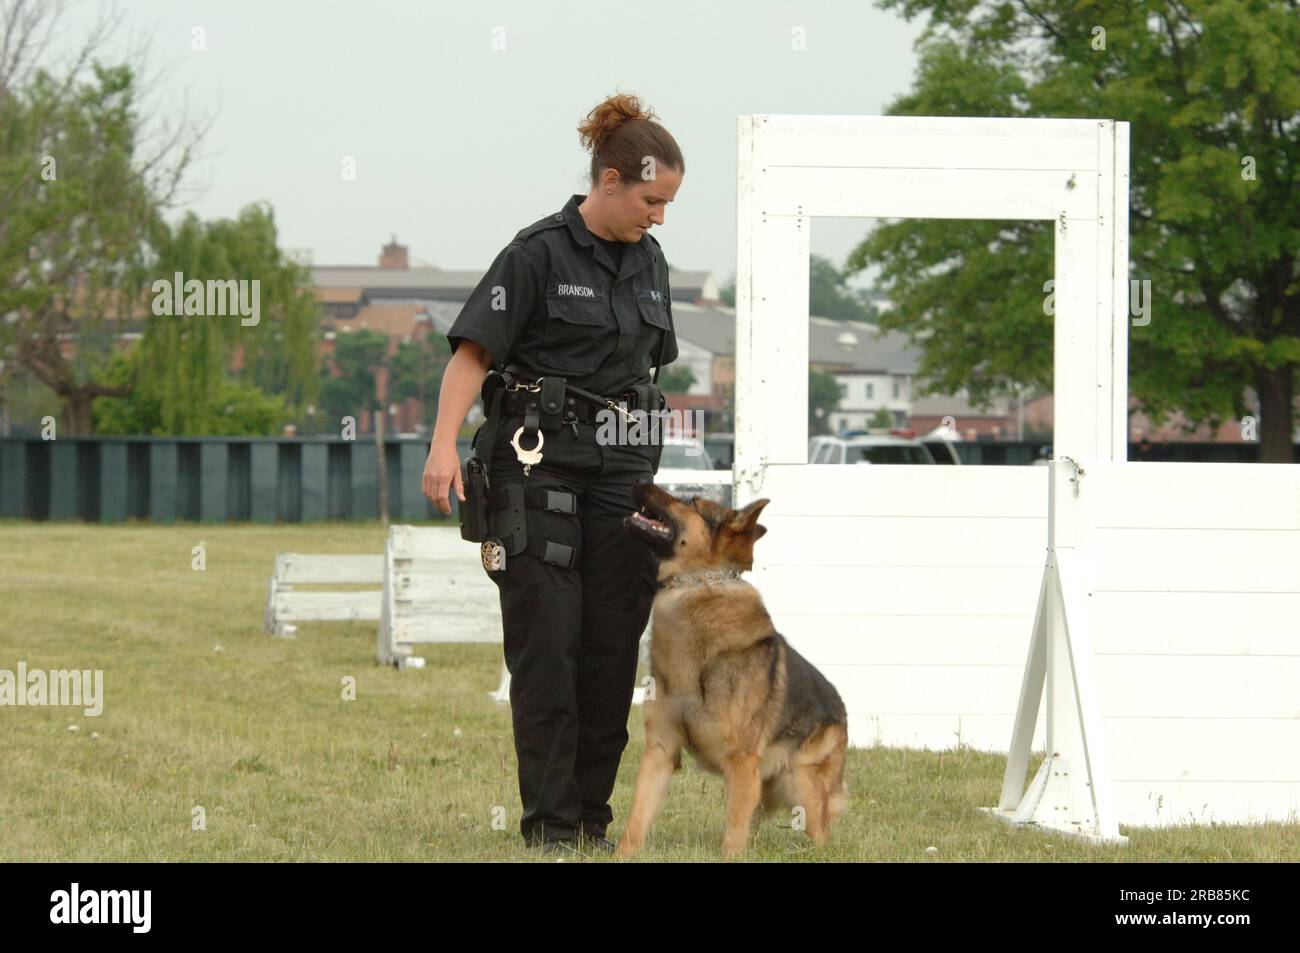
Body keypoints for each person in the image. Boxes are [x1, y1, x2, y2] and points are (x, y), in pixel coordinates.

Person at [421, 93, 684, 856]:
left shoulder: (651, 261)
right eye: (650, 199)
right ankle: (550, 823)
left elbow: (645, 371)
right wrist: (443, 445)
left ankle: (592, 821)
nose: (659, 216)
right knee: (549, 643)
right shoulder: (535, 254)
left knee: (610, 646)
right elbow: (472, 354)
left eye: (668, 203)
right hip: (538, 464)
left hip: (622, 470)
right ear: (608, 180)